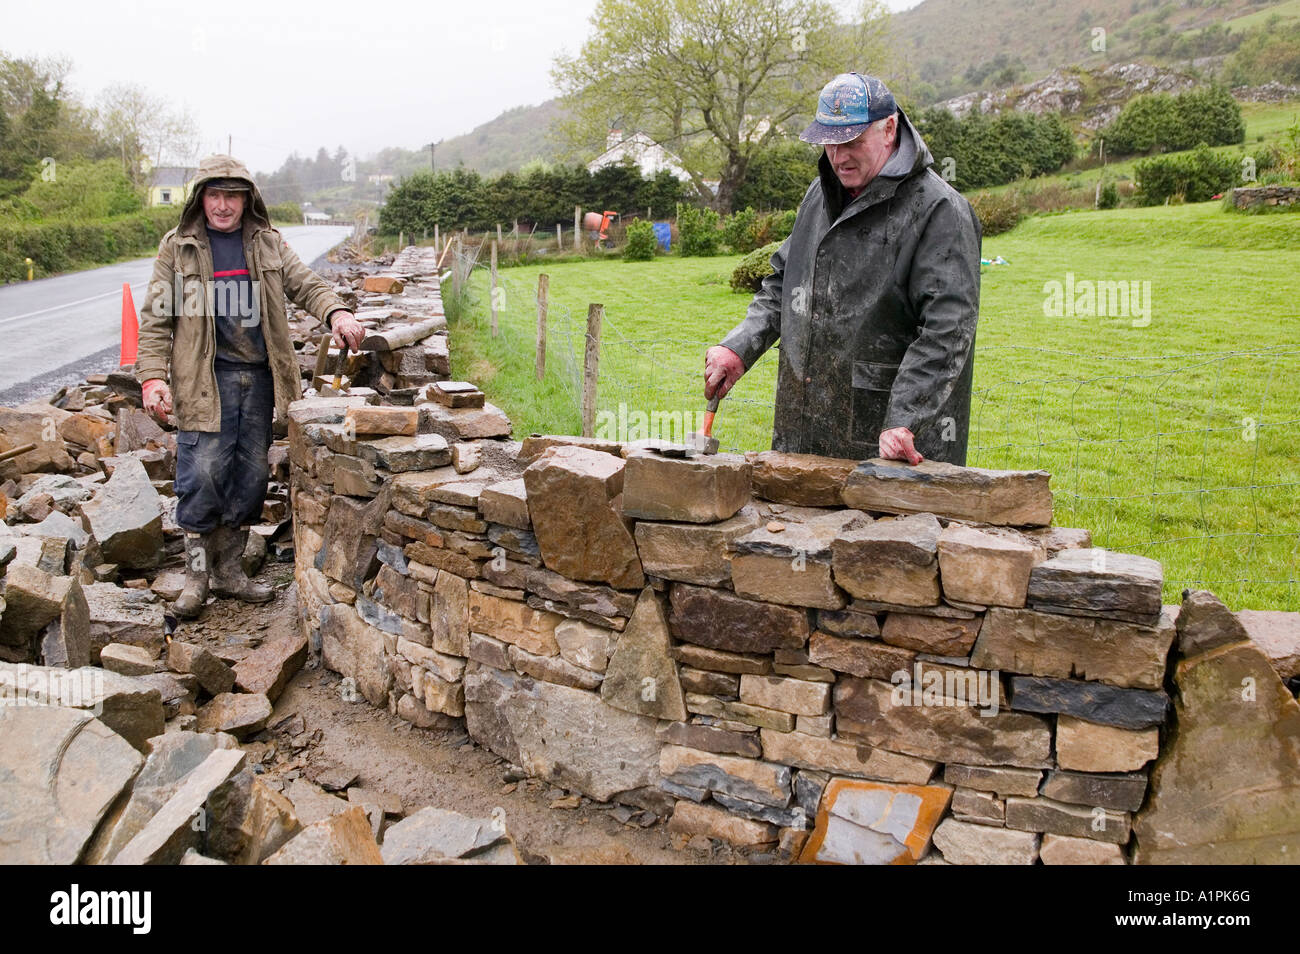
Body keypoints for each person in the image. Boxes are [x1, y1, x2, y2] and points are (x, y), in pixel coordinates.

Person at [705, 72, 981, 465]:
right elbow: (785, 281)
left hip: (892, 444)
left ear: (889, 129)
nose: (838, 157)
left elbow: (948, 330)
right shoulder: (820, 194)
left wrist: (906, 418)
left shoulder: (940, 211)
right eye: (829, 142)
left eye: (851, 141)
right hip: (802, 431)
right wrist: (739, 346)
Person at [136, 154, 364, 619]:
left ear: (247, 199)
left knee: (251, 477)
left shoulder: (267, 243)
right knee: (201, 476)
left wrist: (337, 312)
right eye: (214, 195)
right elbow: (156, 318)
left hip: (259, 379)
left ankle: (231, 572)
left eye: (232, 196)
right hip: (204, 380)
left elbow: (306, 285)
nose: (223, 205)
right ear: (201, 198)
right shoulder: (177, 248)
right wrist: (153, 376)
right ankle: (196, 578)